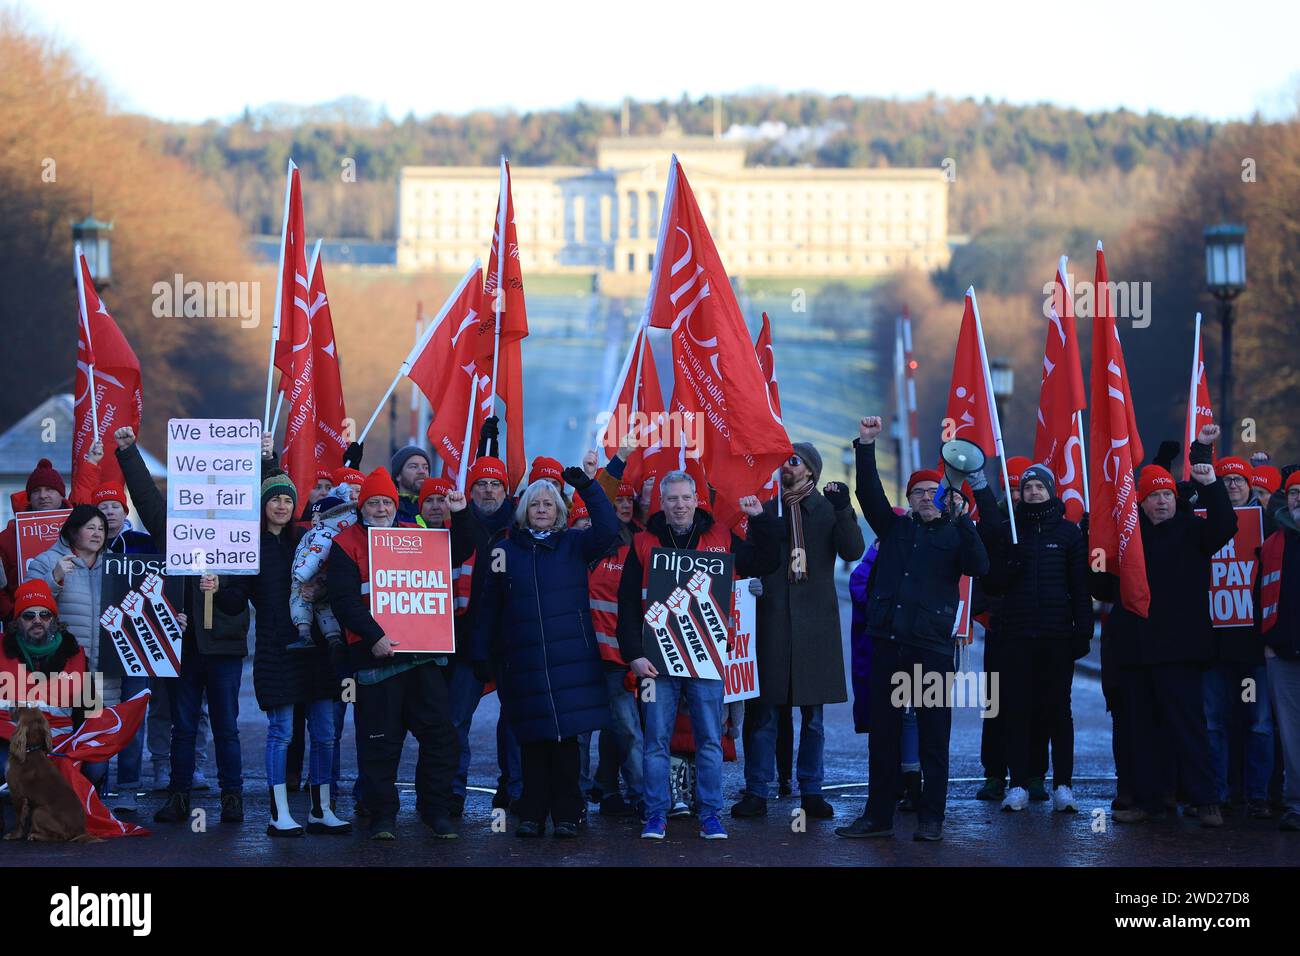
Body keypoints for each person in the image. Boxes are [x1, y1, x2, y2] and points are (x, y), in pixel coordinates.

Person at [836, 416, 989, 842]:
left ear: (944, 496)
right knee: (882, 737)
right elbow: (868, 495)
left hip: (932, 651)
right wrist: (865, 446)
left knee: (933, 738)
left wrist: (962, 521)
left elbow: (980, 567)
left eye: (932, 491)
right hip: (889, 645)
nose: (925, 497)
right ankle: (877, 817)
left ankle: (931, 819)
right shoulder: (896, 528)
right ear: (909, 499)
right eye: (917, 492)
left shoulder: (957, 533)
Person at [616, 470, 780, 841]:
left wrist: (760, 519)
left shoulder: (720, 536)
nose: (679, 505)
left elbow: (766, 561)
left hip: (706, 661)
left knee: (710, 740)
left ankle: (710, 816)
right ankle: (655, 815)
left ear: (695, 499)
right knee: (655, 740)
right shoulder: (643, 543)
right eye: (671, 498)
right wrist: (633, 655)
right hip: (656, 664)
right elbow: (626, 604)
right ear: (662, 501)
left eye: (685, 498)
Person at [110, 427, 249, 827]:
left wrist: (221, 588)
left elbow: (242, 596)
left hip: (223, 646)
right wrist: (129, 452)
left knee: (226, 726)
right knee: (182, 726)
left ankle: (233, 797)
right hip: (183, 644)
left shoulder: (241, 532)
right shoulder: (173, 529)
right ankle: (179, 796)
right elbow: (146, 498)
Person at [473, 468, 618, 837]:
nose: (541, 509)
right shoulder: (504, 550)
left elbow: (608, 530)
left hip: (570, 661)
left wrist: (587, 486)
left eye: (548, 504)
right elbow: (489, 605)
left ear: (560, 510)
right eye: (534, 504)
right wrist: (483, 652)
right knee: (533, 741)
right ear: (523, 510)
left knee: (567, 741)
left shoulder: (575, 543)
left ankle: (569, 814)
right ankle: (532, 814)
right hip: (524, 661)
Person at [1103, 424, 1236, 827]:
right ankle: (1148, 801)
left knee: (1189, 728)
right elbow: (1101, 584)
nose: (1161, 501)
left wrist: (1207, 476)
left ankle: (1205, 799)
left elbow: (1226, 525)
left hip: (1180, 650)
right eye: (1154, 496)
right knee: (1143, 731)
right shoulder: (1127, 538)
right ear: (1141, 503)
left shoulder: (1193, 530)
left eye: (1166, 494)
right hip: (1139, 651)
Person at [326, 467, 461, 840]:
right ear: (362, 506)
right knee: (379, 744)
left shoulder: (417, 536)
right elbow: (344, 600)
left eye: (387, 501)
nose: (382, 508)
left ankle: (435, 810)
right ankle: (382, 815)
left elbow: (460, 551)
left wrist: (461, 515)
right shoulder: (345, 544)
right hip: (376, 658)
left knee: (440, 738)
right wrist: (374, 637)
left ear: (395, 504)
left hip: (420, 657)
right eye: (374, 502)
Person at [212, 472, 349, 837]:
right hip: (277, 649)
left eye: (288, 500)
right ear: (264, 505)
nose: (282, 505)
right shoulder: (249, 547)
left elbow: (333, 581)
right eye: (275, 499)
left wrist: (319, 589)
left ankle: (321, 809)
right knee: (281, 732)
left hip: (316, 646)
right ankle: (280, 813)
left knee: (324, 733)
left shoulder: (308, 539)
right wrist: (215, 586)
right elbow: (233, 602)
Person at [733, 442, 865, 820]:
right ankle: (757, 789)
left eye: (793, 462)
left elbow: (852, 549)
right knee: (765, 714)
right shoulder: (766, 507)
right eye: (783, 461)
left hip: (815, 624)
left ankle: (812, 791)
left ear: (810, 470)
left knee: (814, 718)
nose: (785, 468)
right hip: (771, 618)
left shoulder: (825, 509)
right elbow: (747, 555)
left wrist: (844, 509)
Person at [974, 463, 1092, 813]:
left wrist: (1083, 631)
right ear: (1021, 494)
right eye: (1028, 488)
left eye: (1040, 487)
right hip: (1017, 635)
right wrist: (1006, 568)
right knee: (1016, 709)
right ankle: (1019, 784)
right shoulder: (1010, 531)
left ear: (1051, 491)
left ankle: (1063, 785)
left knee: (1058, 711)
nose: (1034, 492)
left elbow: (1080, 587)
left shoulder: (1070, 534)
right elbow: (991, 582)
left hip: (1056, 636)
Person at [444, 454, 523, 816]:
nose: (488, 490)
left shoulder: (520, 527)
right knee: (456, 719)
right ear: (470, 490)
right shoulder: (456, 526)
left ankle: (515, 789)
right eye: (481, 484)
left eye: (495, 484)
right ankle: (453, 791)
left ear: (506, 491)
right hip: (466, 640)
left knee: (517, 720)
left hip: (511, 642)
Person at [1203, 456, 1275, 817]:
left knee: (1258, 724)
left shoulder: (1267, 522)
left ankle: (1257, 795)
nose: (1232, 484)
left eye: (1239, 479)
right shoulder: (1203, 521)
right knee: (1214, 723)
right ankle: (1219, 793)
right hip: (1214, 649)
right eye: (1225, 479)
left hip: (1252, 649)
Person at [0, 580, 90, 780]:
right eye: (29, 616)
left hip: (62, 740)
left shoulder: (76, 654)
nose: (38, 620)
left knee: (96, 767)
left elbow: (90, 711)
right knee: (4, 768)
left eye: (45, 614)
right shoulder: (1, 651)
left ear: (54, 620)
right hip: (10, 739)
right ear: (17, 622)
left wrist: (80, 745)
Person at [1260, 471, 1300, 831]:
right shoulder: (1274, 543)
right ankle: (1297, 804)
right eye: (1294, 492)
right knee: (1290, 735)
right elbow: (1262, 594)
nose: (1298, 498)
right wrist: (1269, 643)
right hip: (1284, 654)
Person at [0, 457, 73, 621]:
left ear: (62, 494)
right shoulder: (7, 538)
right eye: (36, 491)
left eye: (49, 489)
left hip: (72, 620)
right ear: (29, 497)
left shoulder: (79, 530)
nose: (42, 495)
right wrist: (12, 613)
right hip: (25, 624)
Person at [285, 491, 357, 653]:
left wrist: (301, 575)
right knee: (324, 608)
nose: (314, 519)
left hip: (306, 576)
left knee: (299, 599)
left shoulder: (321, 532)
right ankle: (333, 638)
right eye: (313, 515)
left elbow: (317, 553)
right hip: (321, 579)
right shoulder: (333, 532)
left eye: (319, 515)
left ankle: (304, 634)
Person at [389, 446, 432, 524]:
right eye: (414, 467)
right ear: (398, 475)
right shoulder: (387, 508)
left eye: (426, 468)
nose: (422, 471)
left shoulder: (438, 507)